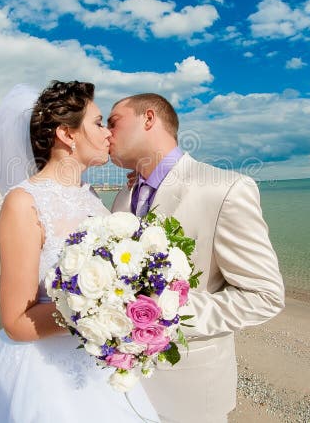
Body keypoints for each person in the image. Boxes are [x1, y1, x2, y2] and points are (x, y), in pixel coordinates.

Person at [0, 82, 159, 423]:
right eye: (98, 123)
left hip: (97, 363)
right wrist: (96, 310)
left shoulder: (92, 197)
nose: (108, 133)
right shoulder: (24, 202)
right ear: (67, 134)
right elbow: (16, 322)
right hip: (46, 374)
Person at [108, 93, 285, 423]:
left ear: (149, 119)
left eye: (113, 122)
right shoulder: (123, 197)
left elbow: (264, 296)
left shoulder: (224, 189)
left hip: (190, 391)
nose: (106, 133)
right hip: (125, 390)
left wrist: (163, 314)